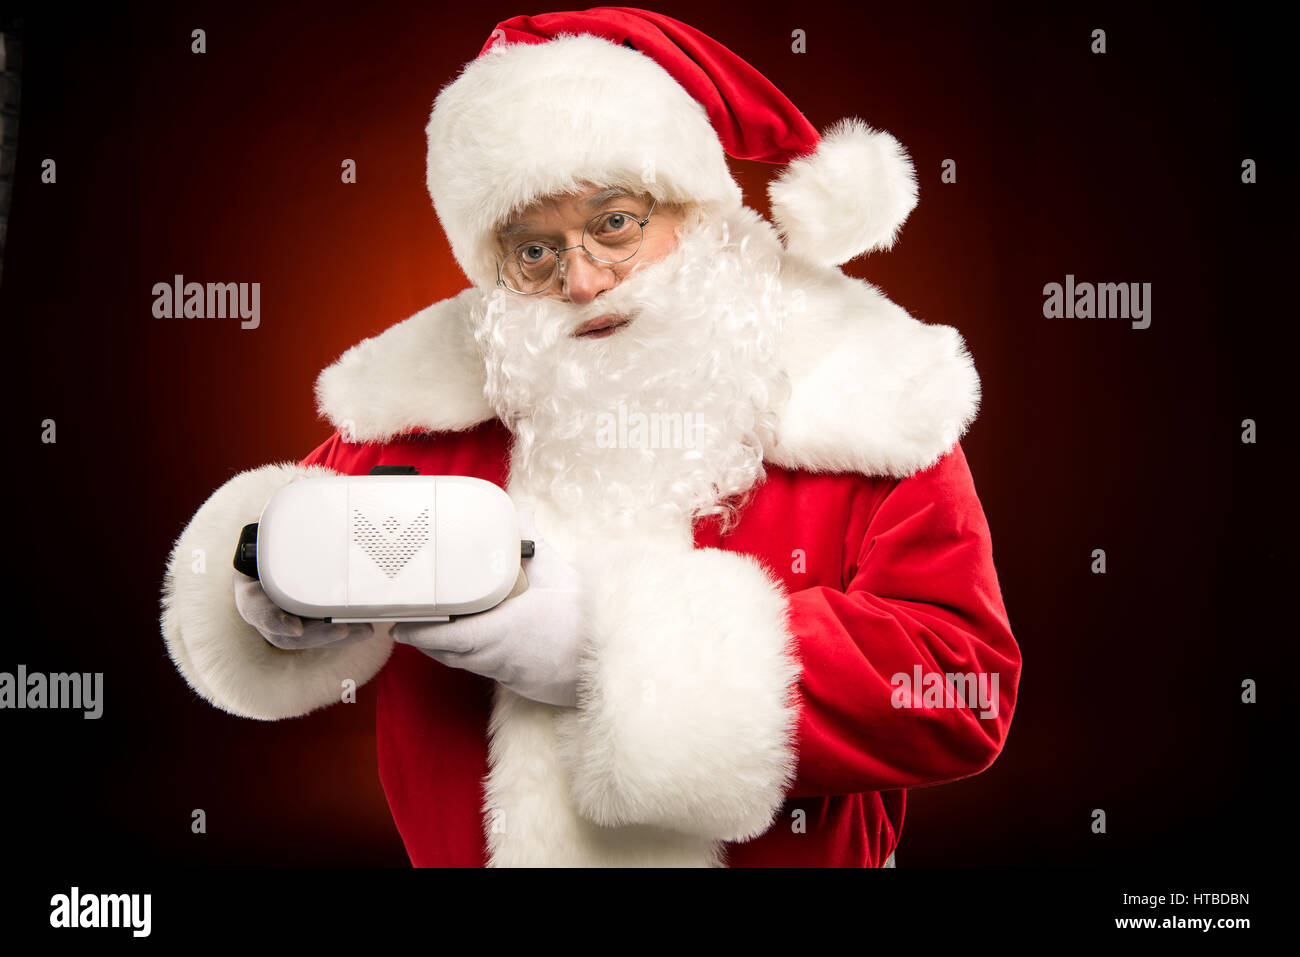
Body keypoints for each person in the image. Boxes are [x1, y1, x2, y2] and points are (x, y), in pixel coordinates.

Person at [160, 7, 1021, 867]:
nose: (580, 280)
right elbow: (279, 559)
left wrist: (608, 647)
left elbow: (961, 685)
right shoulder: (427, 400)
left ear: (698, 211)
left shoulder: (867, 390)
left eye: (615, 223)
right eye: (533, 250)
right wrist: (269, 587)